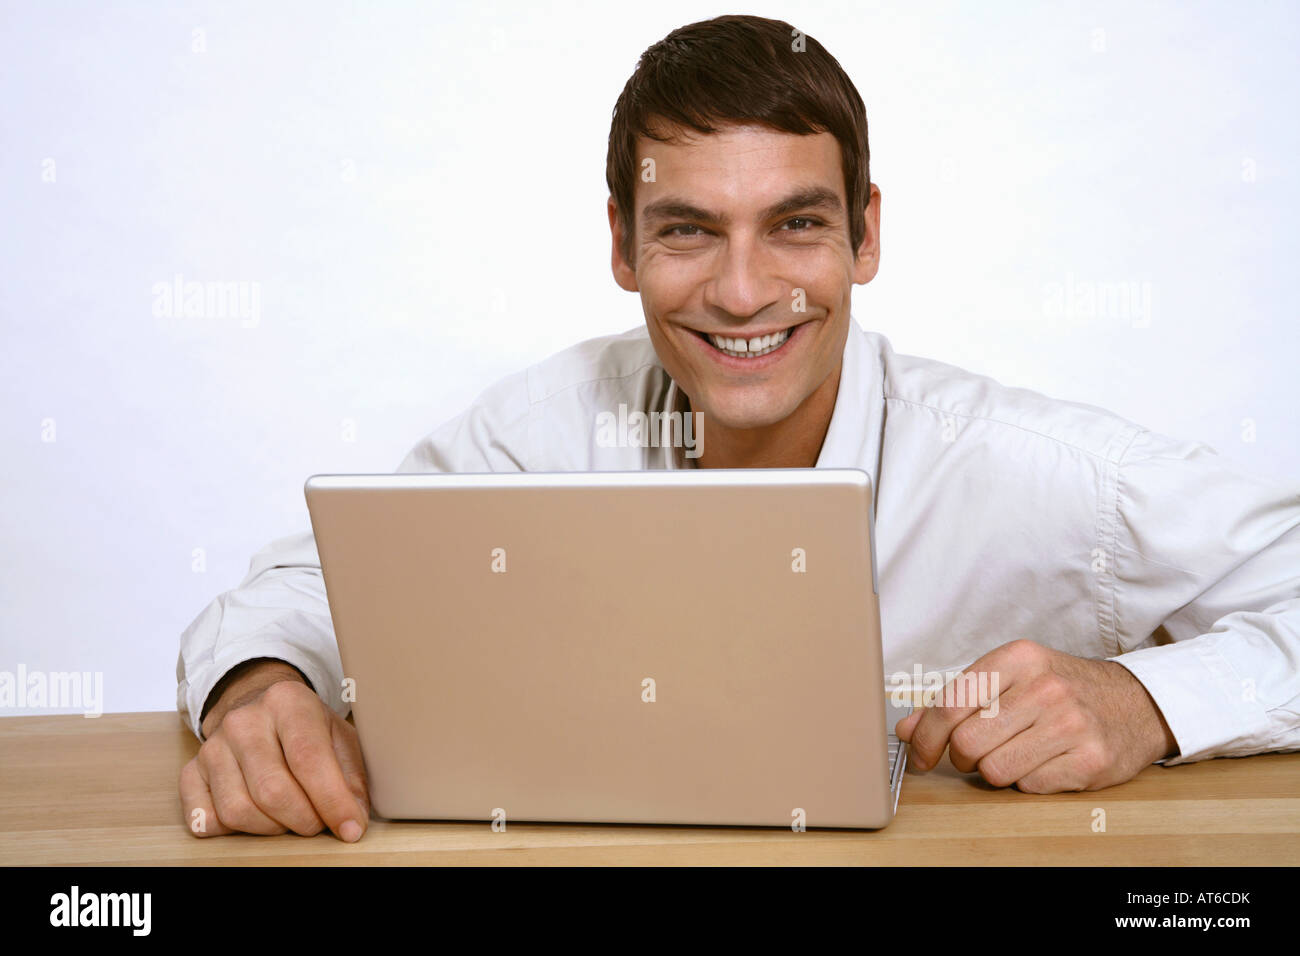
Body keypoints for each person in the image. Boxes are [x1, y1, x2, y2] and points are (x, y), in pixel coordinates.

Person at [177, 14, 1300, 841]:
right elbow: (314, 577)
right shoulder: (547, 427)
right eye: (687, 231)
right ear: (621, 244)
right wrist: (262, 684)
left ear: (864, 235)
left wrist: (1147, 700)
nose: (744, 289)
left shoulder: (1039, 473)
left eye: (796, 223)